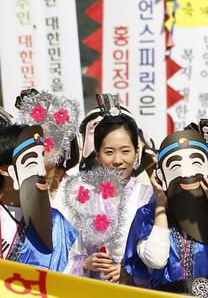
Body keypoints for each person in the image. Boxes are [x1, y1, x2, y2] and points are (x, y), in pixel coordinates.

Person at [124, 130, 208, 296]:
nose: (186, 174)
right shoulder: (148, 214)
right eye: (176, 166)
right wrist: (161, 206)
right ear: (161, 175)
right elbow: (156, 259)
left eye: (197, 164)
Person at [0, 124, 77, 270]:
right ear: (5, 170)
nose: (42, 171)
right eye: (31, 163)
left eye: (41, 161)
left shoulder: (54, 221)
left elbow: (67, 276)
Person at [61, 111, 153, 282]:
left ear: (137, 152)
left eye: (125, 151)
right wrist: (84, 263)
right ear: (97, 155)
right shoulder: (82, 197)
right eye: (109, 152)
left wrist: (131, 270)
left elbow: (162, 255)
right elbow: (62, 253)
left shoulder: (150, 197)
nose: (118, 160)